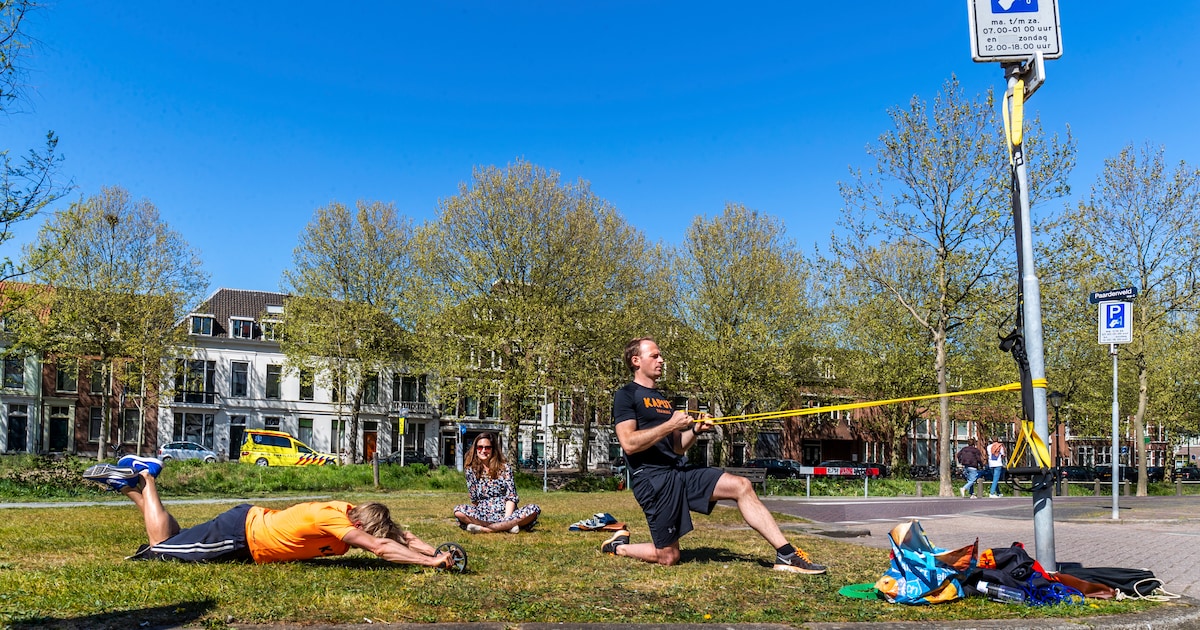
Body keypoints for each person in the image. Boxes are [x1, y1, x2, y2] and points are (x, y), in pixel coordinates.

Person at [604, 337, 826, 574]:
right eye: (655, 356)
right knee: (669, 556)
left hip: (679, 470)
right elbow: (628, 443)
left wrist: (695, 430)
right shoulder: (626, 395)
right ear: (636, 361)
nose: (662, 360)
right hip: (653, 479)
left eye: (660, 355)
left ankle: (786, 554)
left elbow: (678, 447)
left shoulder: (662, 400)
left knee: (741, 486)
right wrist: (670, 425)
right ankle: (619, 547)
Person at [82, 455, 452, 568]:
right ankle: (147, 478)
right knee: (162, 550)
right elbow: (381, 548)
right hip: (240, 536)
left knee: (175, 540)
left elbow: (399, 537)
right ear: (357, 524)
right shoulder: (335, 521)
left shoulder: (351, 510)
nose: (367, 540)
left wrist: (436, 550)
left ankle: (131, 488)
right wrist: (432, 564)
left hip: (245, 524)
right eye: (366, 534)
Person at [453, 432, 541, 534]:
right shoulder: (471, 470)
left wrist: (506, 518)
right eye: (480, 447)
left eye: (487, 447)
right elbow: (474, 499)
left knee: (533, 509)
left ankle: (486, 529)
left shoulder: (505, 468)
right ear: (475, 449)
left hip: (506, 513)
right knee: (458, 511)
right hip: (484, 514)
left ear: (493, 449)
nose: (483, 451)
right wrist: (478, 514)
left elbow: (511, 496)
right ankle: (507, 527)